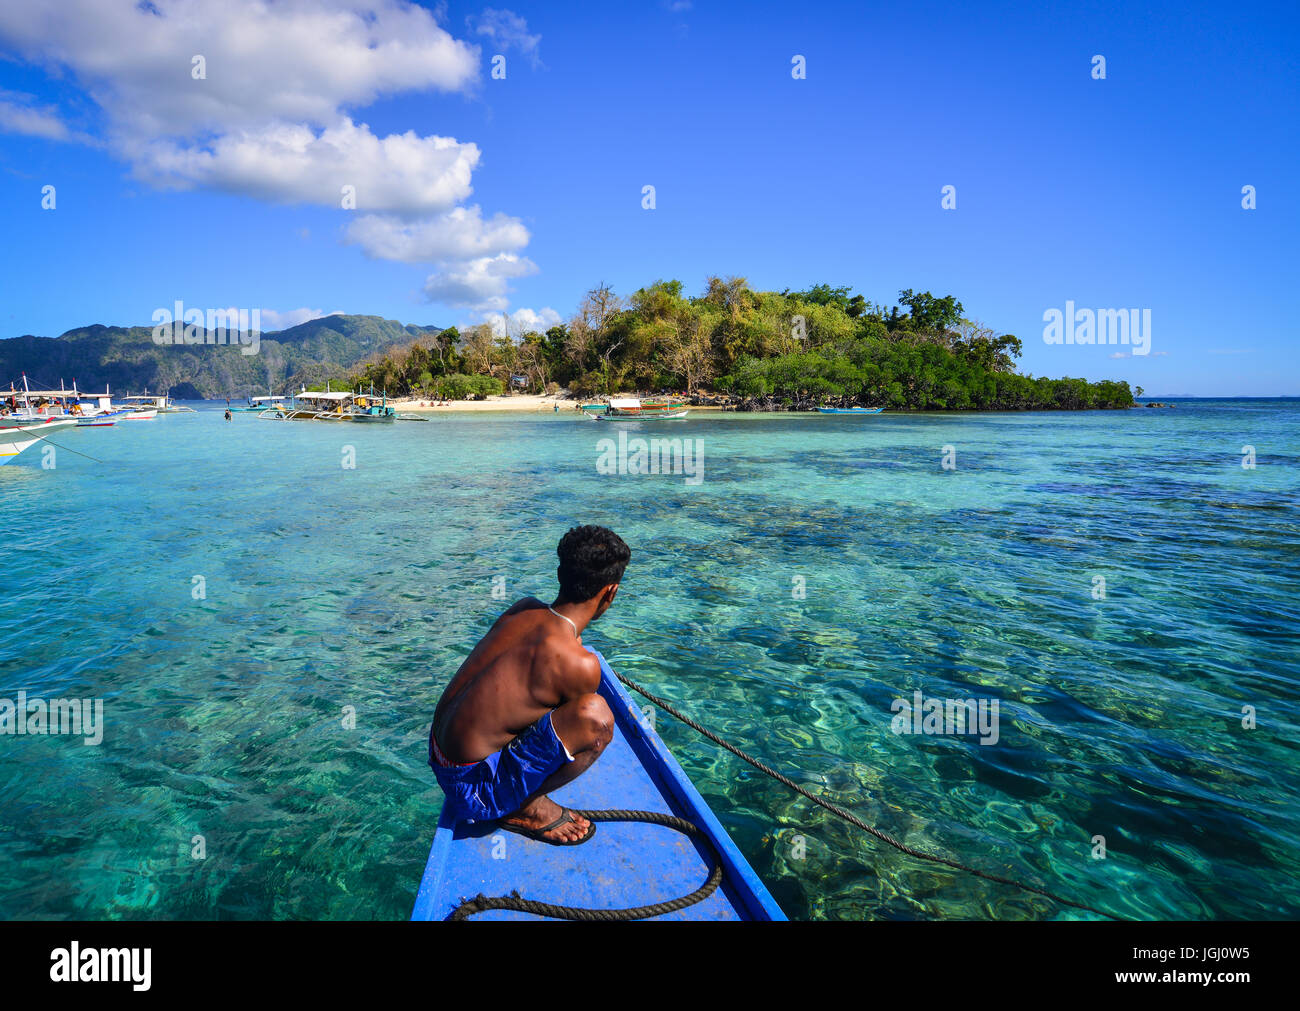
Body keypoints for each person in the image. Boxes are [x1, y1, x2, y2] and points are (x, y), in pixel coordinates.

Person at [428, 525, 631, 844]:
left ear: (560, 573)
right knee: (597, 720)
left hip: (441, 756)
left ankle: (513, 791)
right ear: (610, 593)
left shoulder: (524, 608)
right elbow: (576, 722)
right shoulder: (580, 665)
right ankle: (524, 806)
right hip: (476, 793)